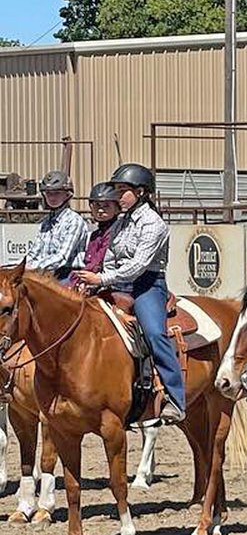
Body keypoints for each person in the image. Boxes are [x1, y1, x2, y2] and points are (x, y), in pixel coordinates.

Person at [73, 164, 185, 426]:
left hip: (147, 284)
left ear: (142, 192)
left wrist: (101, 279)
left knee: (155, 332)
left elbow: (139, 265)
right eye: (117, 190)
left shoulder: (153, 223)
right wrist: (96, 284)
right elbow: (111, 256)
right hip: (117, 282)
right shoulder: (121, 221)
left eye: (123, 191)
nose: (118, 196)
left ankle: (175, 398)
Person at [25, 170, 88, 284]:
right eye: (48, 193)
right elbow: (34, 252)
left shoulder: (74, 220)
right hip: (47, 272)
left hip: (69, 274)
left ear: (67, 195)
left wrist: (33, 267)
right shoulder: (45, 222)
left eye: (57, 193)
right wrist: (16, 266)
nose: (52, 197)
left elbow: (62, 256)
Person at [74, 182, 122, 286]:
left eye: (106, 206)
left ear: (117, 209)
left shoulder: (116, 232)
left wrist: (80, 279)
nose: (100, 210)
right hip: (92, 278)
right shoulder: (95, 234)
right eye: (97, 205)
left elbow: (98, 262)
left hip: (109, 280)